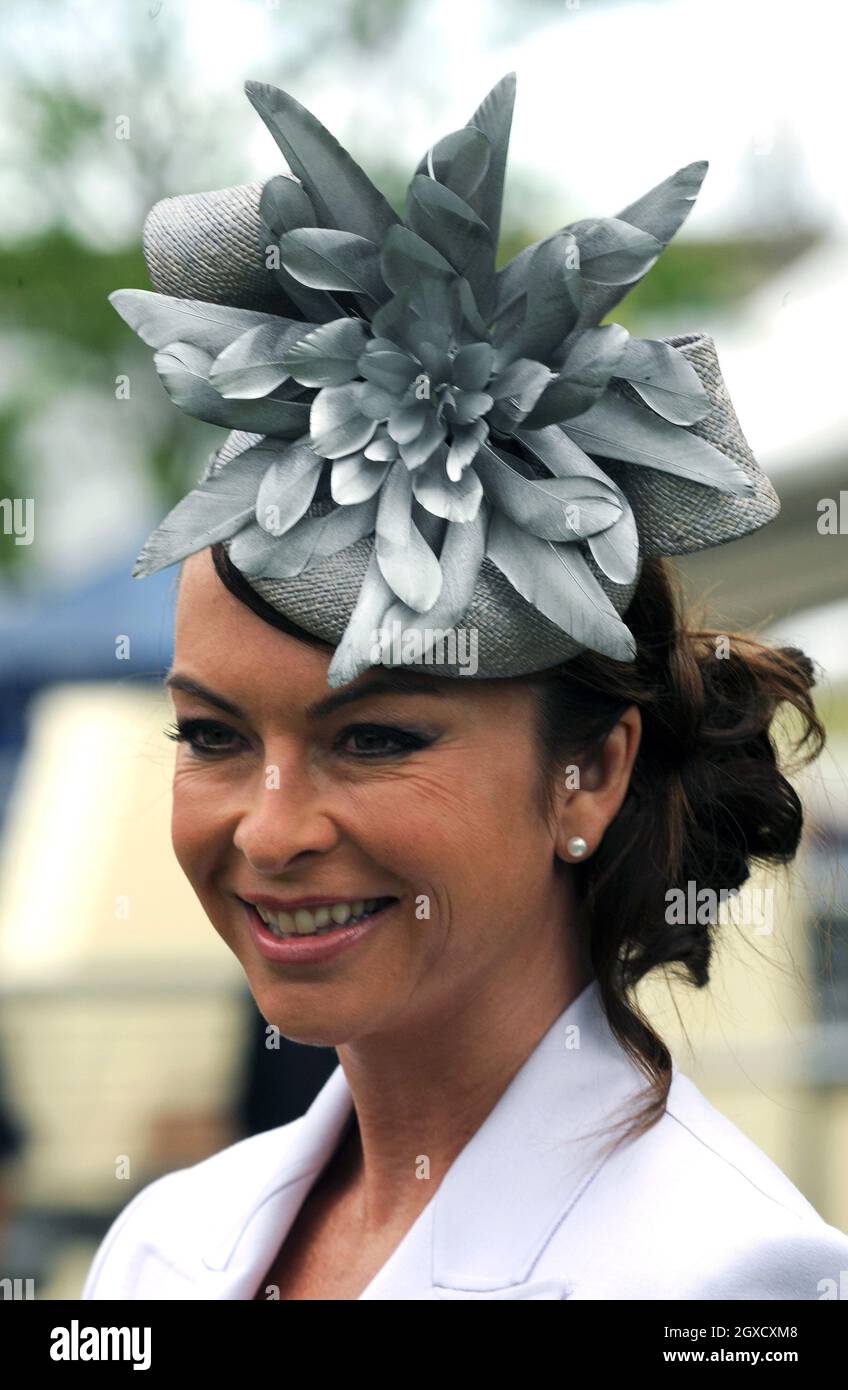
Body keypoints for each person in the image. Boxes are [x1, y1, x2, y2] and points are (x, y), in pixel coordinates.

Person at [81, 72, 848, 1300]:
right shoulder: (163, 1247)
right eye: (211, 735)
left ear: (586, 771)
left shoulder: (727, 1279)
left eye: (376, 738)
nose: (270, 830)